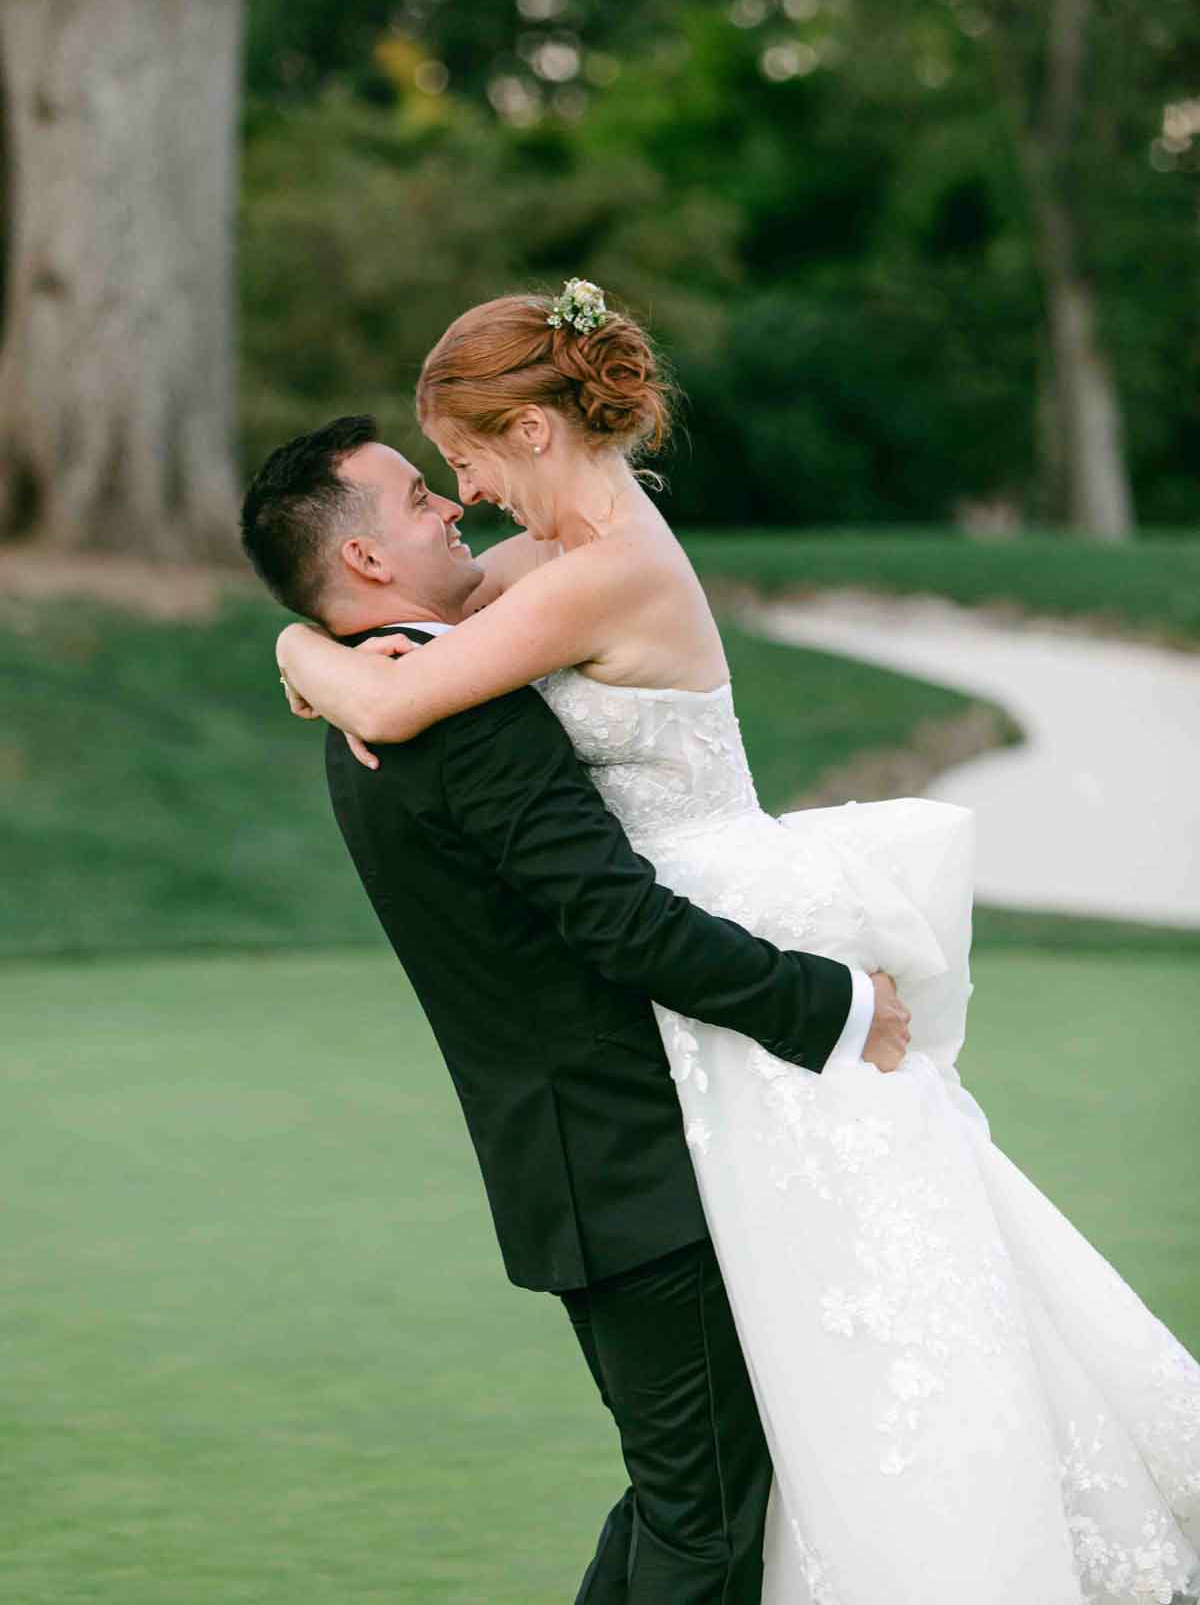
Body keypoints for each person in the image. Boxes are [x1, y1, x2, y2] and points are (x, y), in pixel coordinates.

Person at [270, 282, 1200, 1605]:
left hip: (717, 961)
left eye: (465, 458)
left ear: (531, 430)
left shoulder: (601, 573)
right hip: (689, 982)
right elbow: (415, 647)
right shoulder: (554, 564)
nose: (462, 493)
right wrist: (317, 632)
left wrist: (305, 644)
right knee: (719, 1443)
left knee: (760, 1416)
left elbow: (402, 686)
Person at [240, 412, 913, 1604]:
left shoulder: (380, 702)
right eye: (415, 496)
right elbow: (620, 923)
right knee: (704, 1524)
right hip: (627, 1169)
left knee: (678, 1500)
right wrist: (833, 1002)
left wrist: (304, 649)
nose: (451, 504)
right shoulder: (456, 714)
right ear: (364, 561)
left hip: (581, 1170)